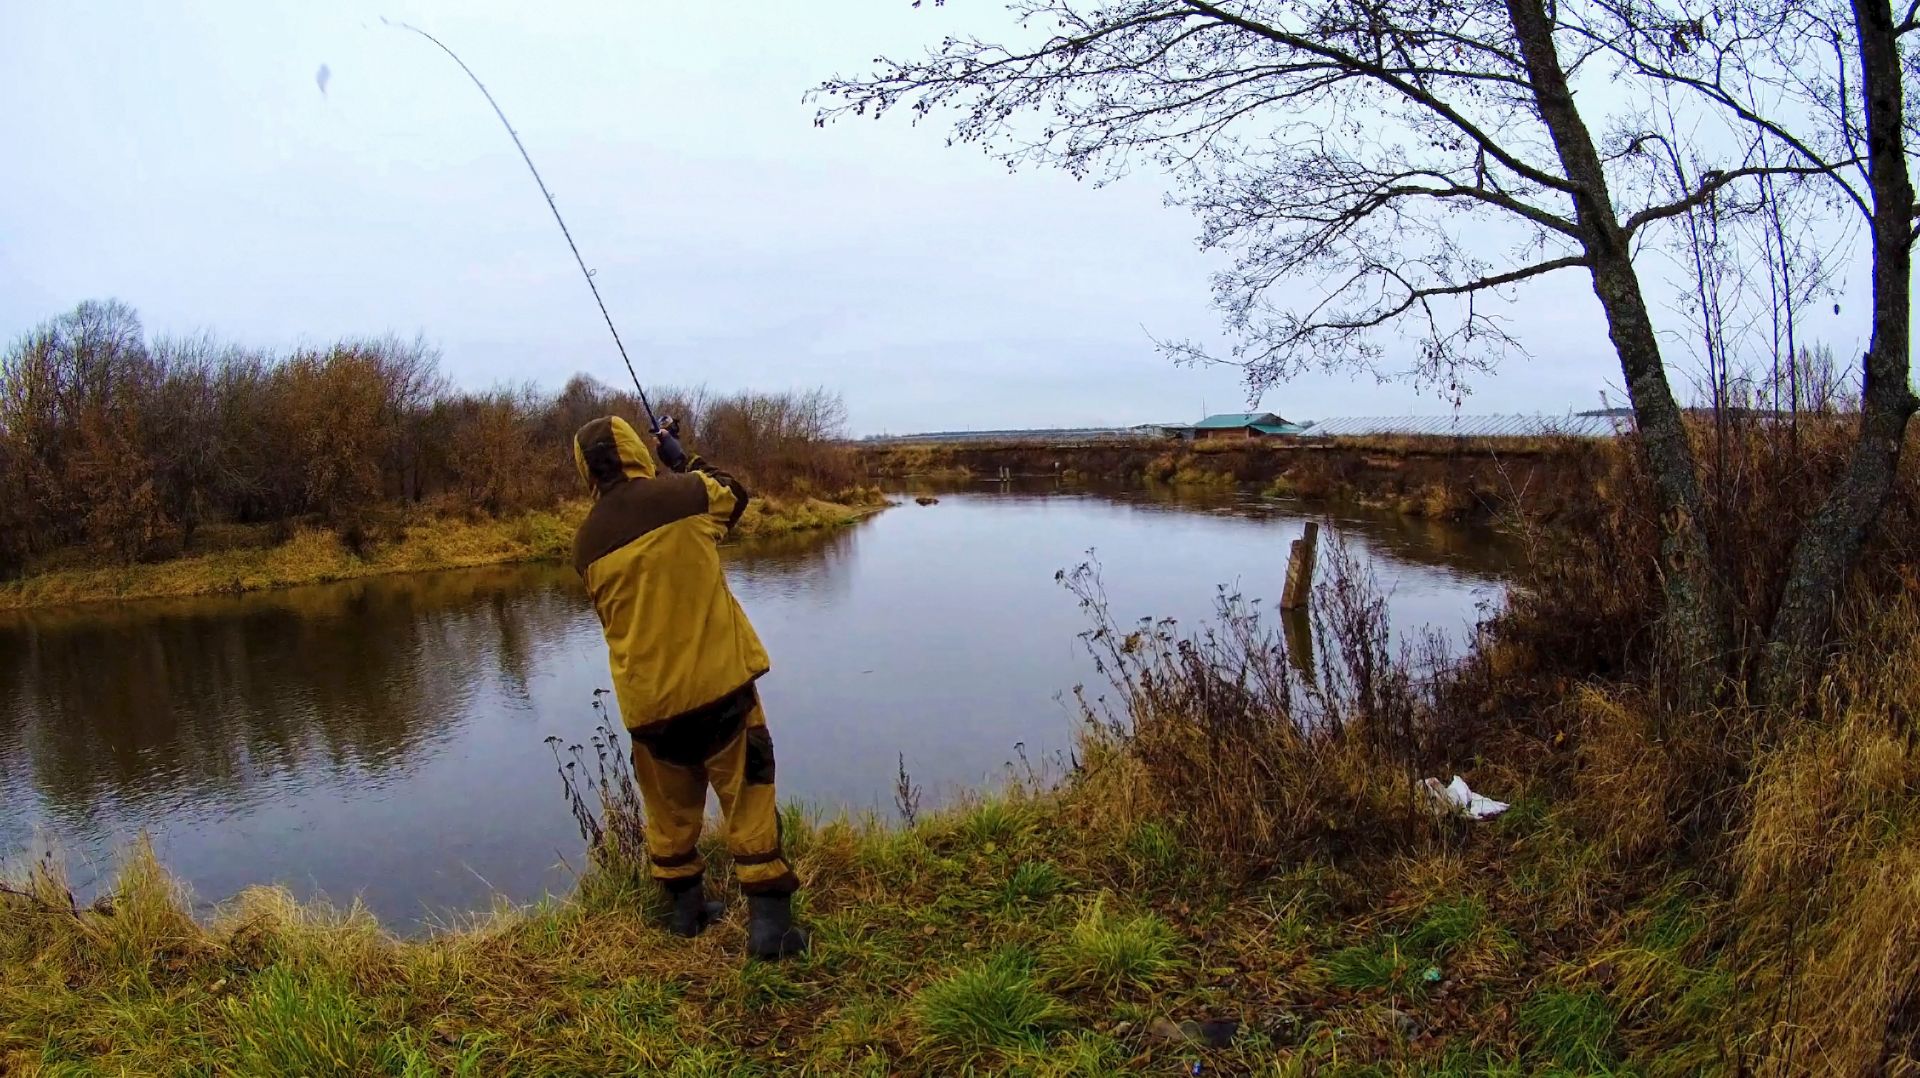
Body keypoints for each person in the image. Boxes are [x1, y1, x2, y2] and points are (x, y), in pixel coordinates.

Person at [570, 413, 808, 959]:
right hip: (718, 688)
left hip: (647, 706)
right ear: (635, 449)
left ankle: (687, 913)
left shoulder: (584, 545)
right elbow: (736, 495)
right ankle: (770, 929)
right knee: (749, 795)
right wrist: (679, 456)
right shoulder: (686, 496)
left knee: (670, 811)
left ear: (585, 469)